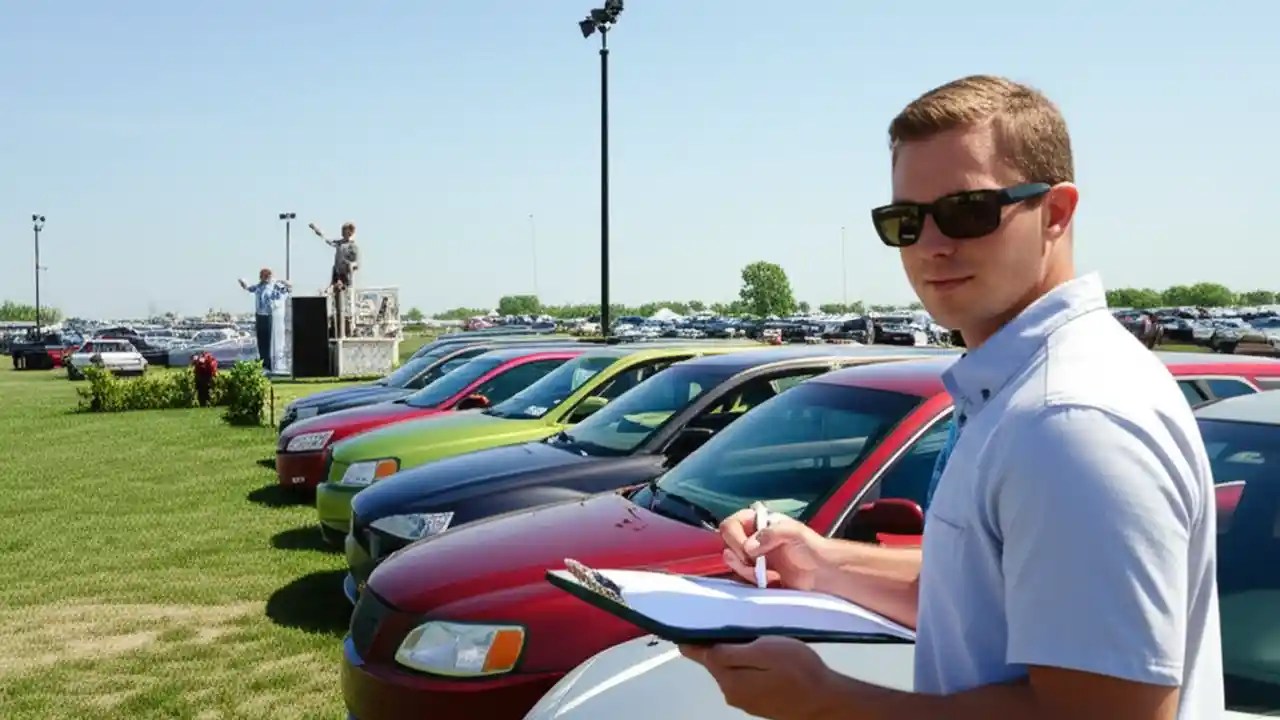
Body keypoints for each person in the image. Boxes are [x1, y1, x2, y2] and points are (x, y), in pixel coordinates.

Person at [681, 75, 1223, 720]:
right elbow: (985, 598)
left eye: (968, 211)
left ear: (1056, 213)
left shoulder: (1071, 419)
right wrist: (817, 562)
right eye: (905, 221)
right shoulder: (1020, 388)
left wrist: (826, 703)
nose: (933, 246)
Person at [238, 268, 291, 370]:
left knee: (270, 340)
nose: (262, 278)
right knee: (262, 341)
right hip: (260, 315)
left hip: (270, 316)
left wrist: (284, 284)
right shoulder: (259, 286)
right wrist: (243, 284)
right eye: (261, 275)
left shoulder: (275, 285)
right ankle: (264, 362)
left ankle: (272, 363)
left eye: (265, 275)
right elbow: (249, 288)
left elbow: (287, 290)